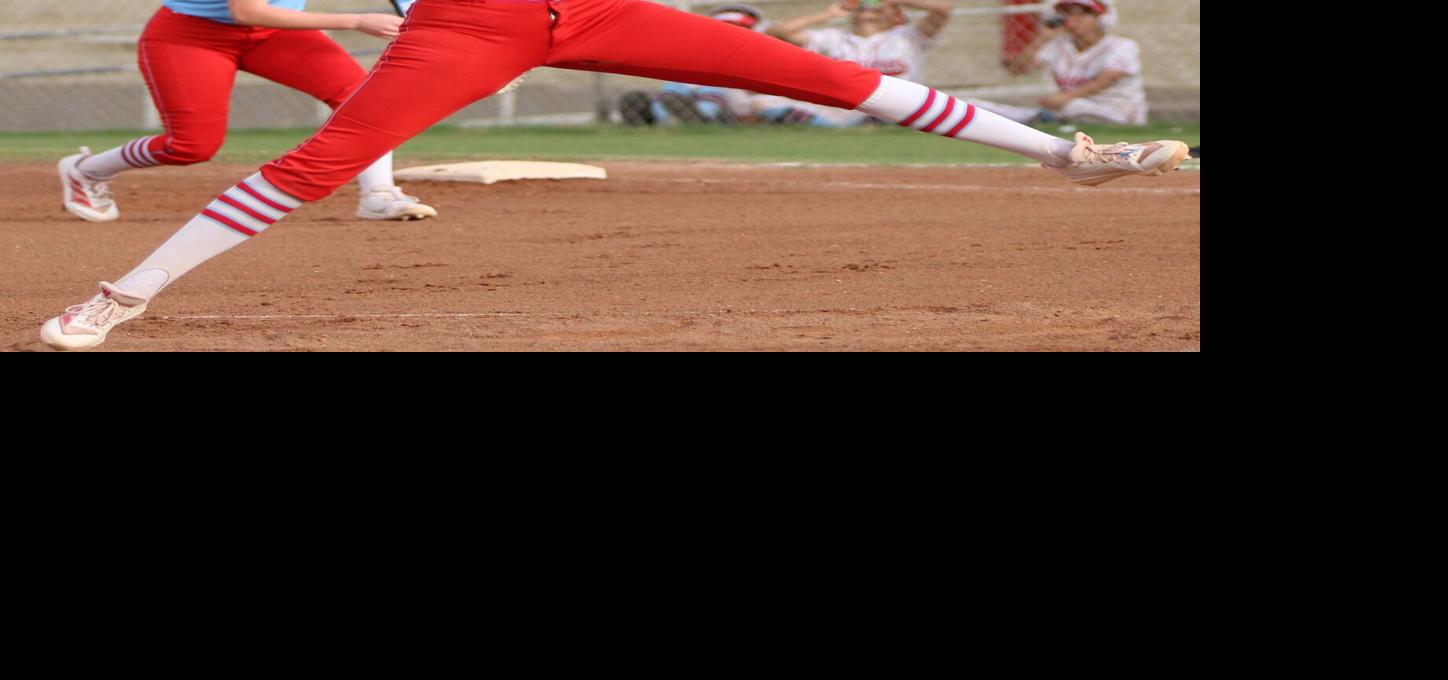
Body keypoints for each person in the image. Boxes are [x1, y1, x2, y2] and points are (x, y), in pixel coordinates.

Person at [39, 0, 1189, 351]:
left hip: (590, 7)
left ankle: (1064, 156)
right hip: (464, 28)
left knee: (811, 75)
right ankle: (124, 294)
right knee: (324, 154)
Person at [57, 0, 437, 225]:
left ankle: (379, 195)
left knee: (365, 97)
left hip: (275, 34)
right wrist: (355, 20)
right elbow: (246, 10)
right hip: (193, 35)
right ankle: (86, 170)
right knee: (191, 146)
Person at [759, 0, 951, 127]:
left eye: (878, 7)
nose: (869, 9)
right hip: (848, 111)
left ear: (895, 15)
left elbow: (943, 8)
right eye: (864, 6)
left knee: (967, 107)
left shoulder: (908, 36)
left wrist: (897, 0)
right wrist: (828, 14)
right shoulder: (834, 38)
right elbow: (778, 31)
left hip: (898, 105)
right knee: (761, 103)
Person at [975, 0, 1148, 126]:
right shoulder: (1057, 45)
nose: (1073, 19)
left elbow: (1104, 81)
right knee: (977, 105)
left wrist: (1064, 98)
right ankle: (1043, 118)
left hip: (1117, 112)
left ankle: (1045, 118)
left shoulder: (1122, 45)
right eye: (1068, 13)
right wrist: (1041, 39)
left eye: (1084, 13)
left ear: (1102, 18)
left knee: (1071, 107)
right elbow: (1017, 70)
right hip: (1064, 109)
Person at [618, 4, 767, 126]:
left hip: (731, 99)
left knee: (714, 84)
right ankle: (660, 116)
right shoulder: (700, 48)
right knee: (677, 83)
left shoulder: (760, 50)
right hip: (693, 94)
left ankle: (701, 119)